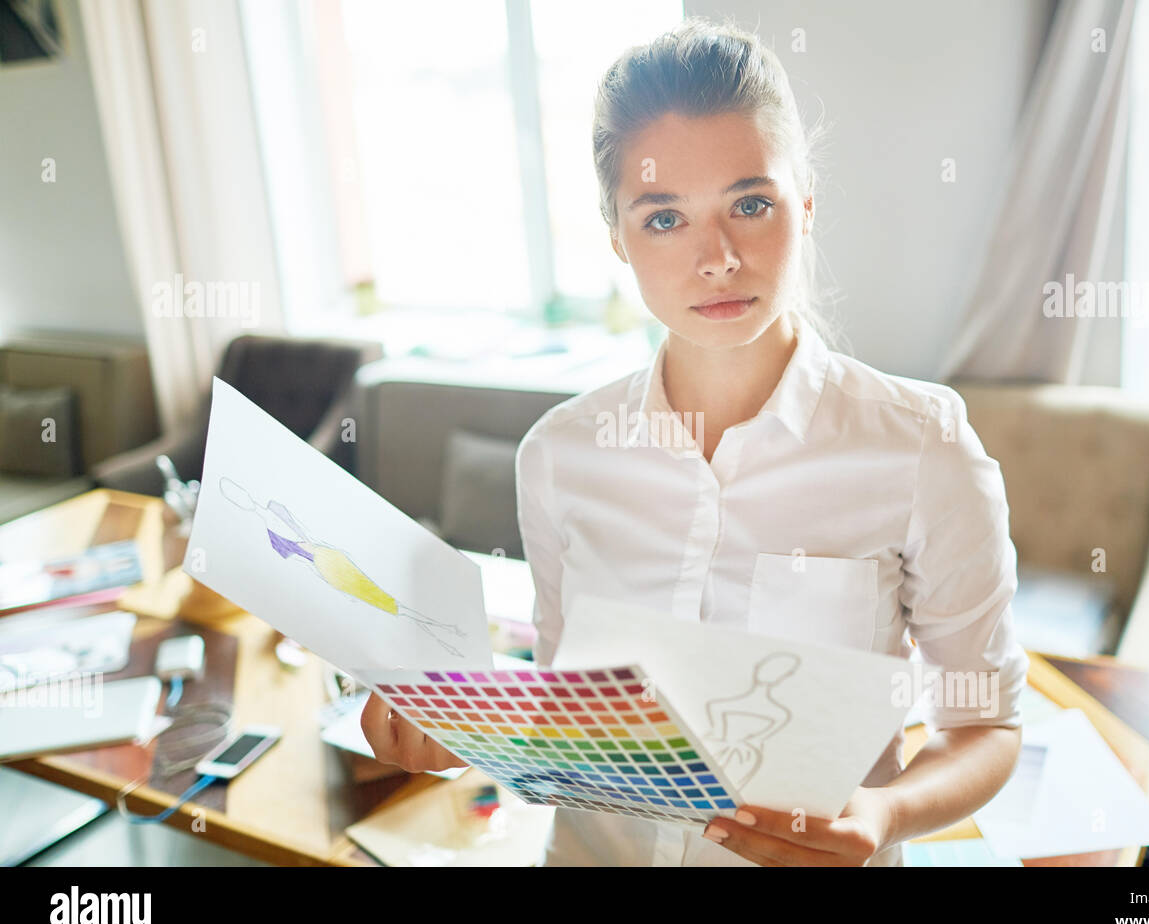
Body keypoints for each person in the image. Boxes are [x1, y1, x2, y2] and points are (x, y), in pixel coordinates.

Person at [362, 15, 1028, 867]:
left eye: (750, 204)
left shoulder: (923, 449)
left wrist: (884, 814)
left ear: (808, 204)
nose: (716, 258)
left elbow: (984, 724)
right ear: (617, 239)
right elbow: (573, 714)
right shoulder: (560, 457)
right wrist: (462, 737)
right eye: (664, 219)